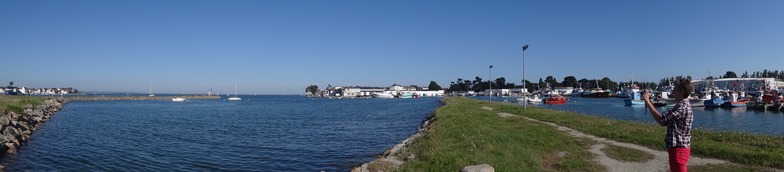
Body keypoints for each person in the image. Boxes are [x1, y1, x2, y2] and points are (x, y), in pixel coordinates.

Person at [642, 78, 693, 172]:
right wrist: (649, 100)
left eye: (675, 90)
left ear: (681, 92)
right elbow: (666, 119)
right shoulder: (683, 105)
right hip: (679, 150)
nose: (673, 92)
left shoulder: (682, 106)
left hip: (679, 151)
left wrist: (647, 101)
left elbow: (662, 120)